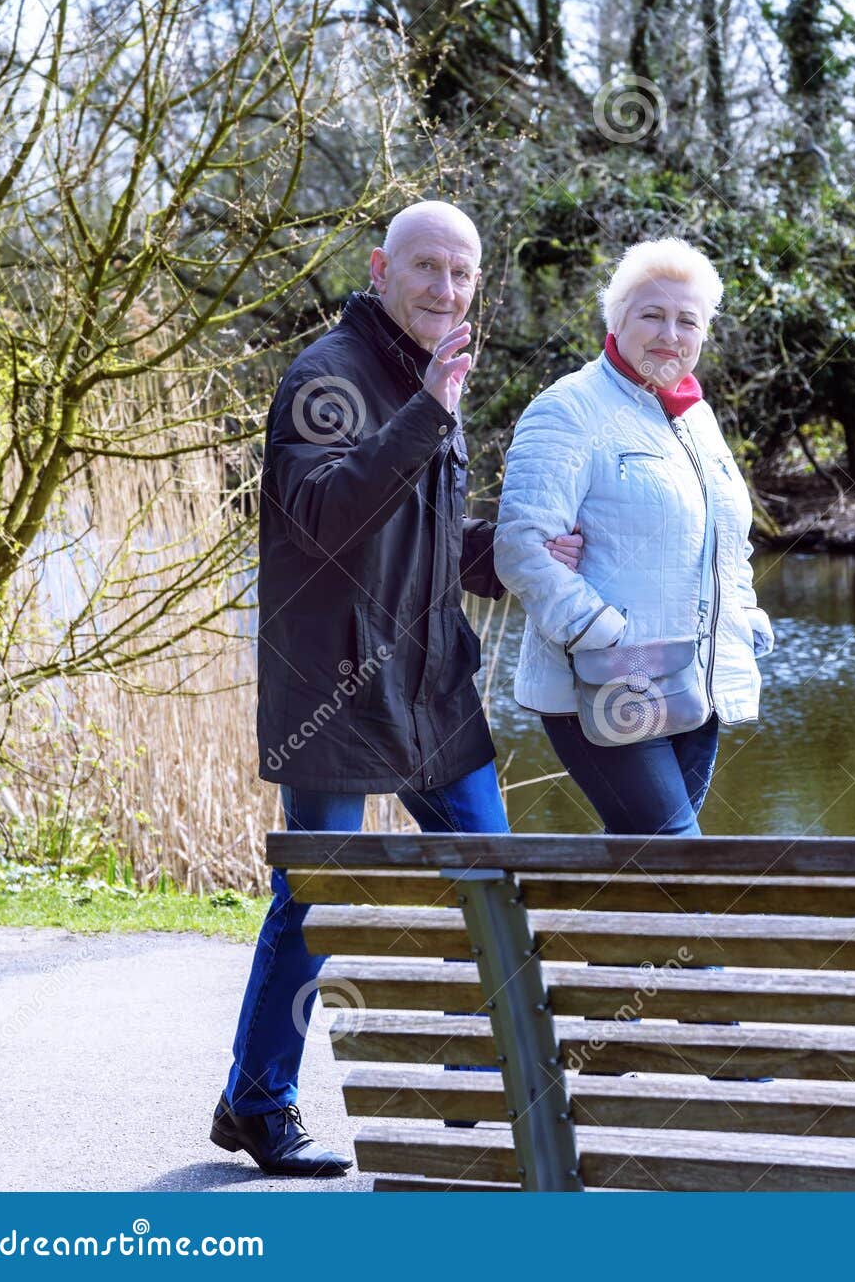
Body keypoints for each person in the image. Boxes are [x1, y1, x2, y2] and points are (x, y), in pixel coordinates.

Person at [211, 201, 582, 1177]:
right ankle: (258, 1101)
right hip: (334, 685)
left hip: (431, 686)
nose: (444, 289)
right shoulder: (324, 379)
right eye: (426, 267)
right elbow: (329, 518)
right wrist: (430, 414)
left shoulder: (432, 379)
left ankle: (481, 1079)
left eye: (461, 275)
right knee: (315, 894)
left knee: (489, 875)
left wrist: (510, 556)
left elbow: (420, 542)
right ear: (381, 267)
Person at [494, 237, 774, 836]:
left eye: (687, 321)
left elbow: (731, 541)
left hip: (696, 682)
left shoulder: (697, 419)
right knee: (678, 857)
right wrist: (600, 635)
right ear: (616, 320)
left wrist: (743, 618)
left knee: (644, 869)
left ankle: (582, 935)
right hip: (607, 682)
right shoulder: (569, 409)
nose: (669, 334)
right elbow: (522, 547)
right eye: (652, 314)